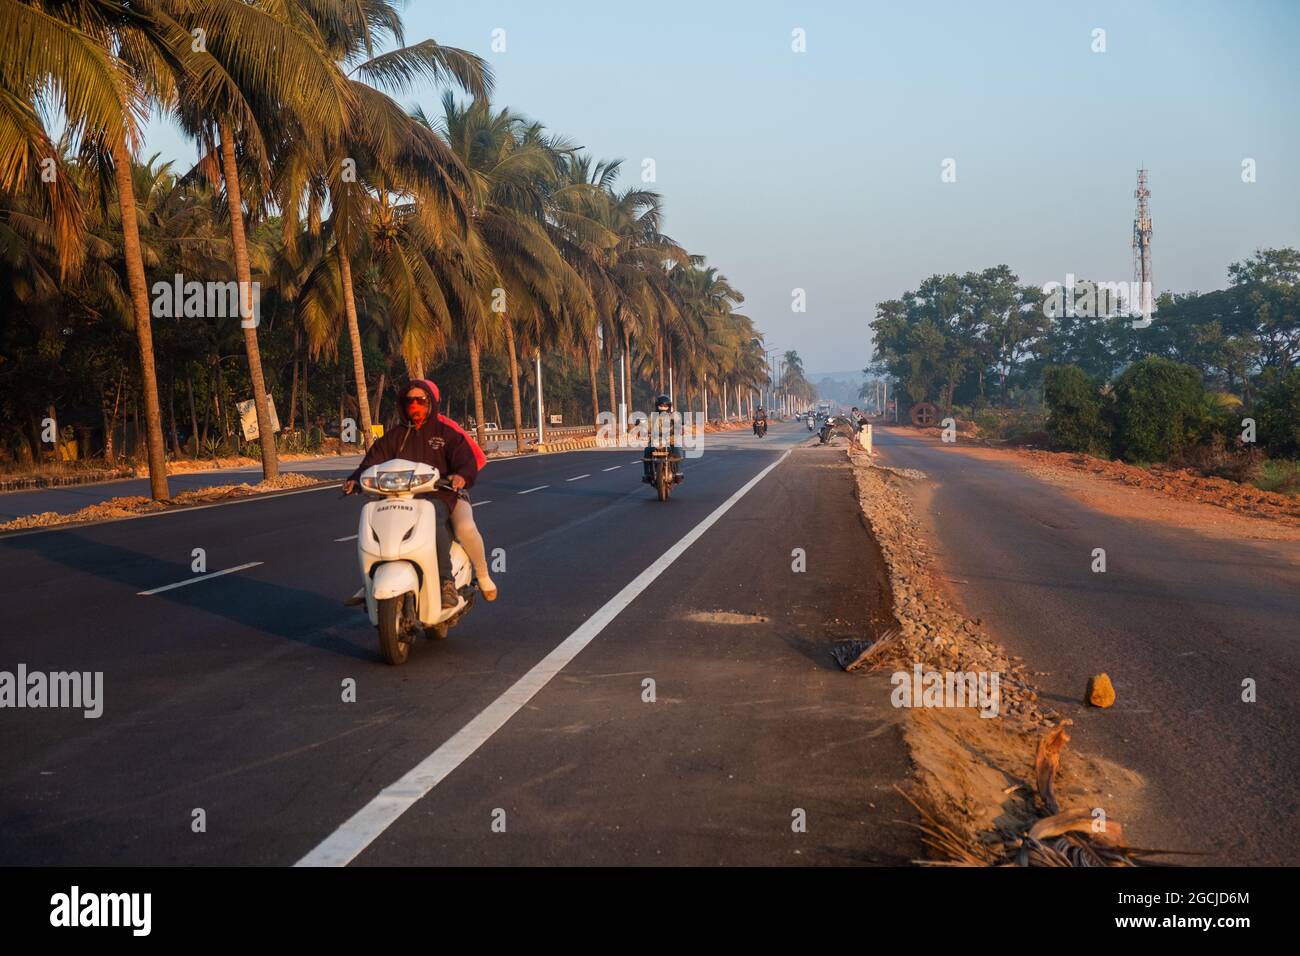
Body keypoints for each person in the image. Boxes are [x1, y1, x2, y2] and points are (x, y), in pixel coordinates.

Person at [343, 379, 497, 606]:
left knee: (463, 527)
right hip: (401, 497)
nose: (414, 405)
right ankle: (372, 579)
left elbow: (467, 460)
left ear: (431, 403)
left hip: (445, 495)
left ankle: (459, 580)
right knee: (377, 517)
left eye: (420, 400)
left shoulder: (446, 432)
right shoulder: (394, 436)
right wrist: (355, 481)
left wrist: (461, 476)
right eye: (409, 400)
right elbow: (371, 463)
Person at [643, 394, 684, 482]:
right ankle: (647, 474)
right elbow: (646, 425)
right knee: (647, 450)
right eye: (661, 406)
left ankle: (678, 473)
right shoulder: (652, 416)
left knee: (678, 449)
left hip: (671, 440)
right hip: (655, 441)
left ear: (669, 406)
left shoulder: (673, 415)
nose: (663, 408)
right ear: (657, 406)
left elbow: (679, 424)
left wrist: (678, 427)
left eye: (665, 406)